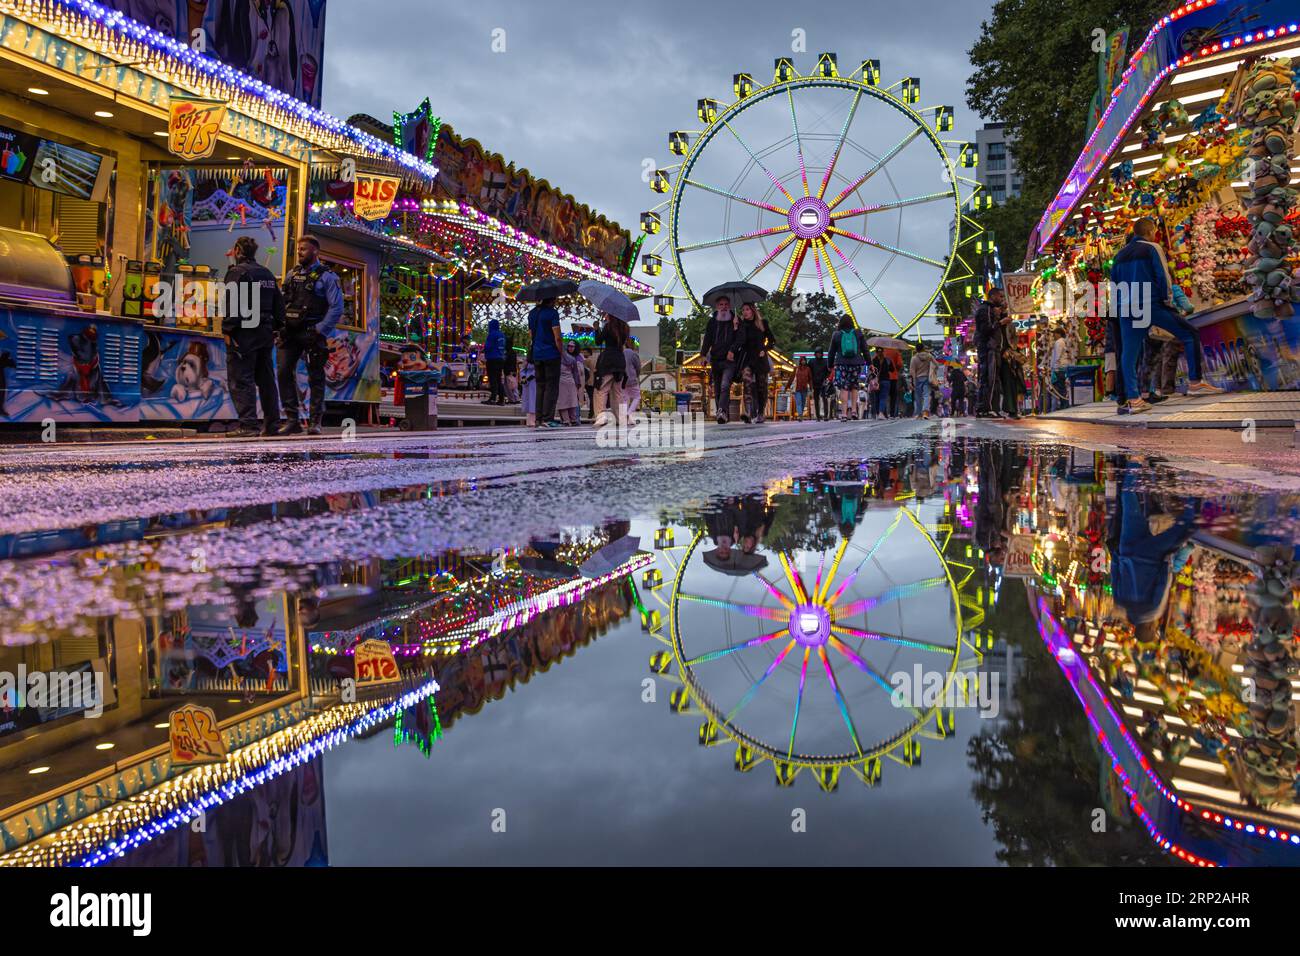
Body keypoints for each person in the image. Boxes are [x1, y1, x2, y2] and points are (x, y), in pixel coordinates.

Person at [1110, 217, 1221, 414]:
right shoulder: (1152, 248)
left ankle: (1134, 400)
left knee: (1129, 353)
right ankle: (1195, 382)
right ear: (1151, 231)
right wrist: (1168, 301)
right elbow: (1163, 276)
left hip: (1126, 308)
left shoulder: (1119, 256)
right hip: (1151, 303)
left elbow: (1114, 285)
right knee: (1189, 334)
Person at [277, 235, 342, 435]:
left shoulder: (328, 277)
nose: (300, 253)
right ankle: (291, 419)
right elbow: (283, 301)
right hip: (290, 332)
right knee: (283, 372)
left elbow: (336, 307)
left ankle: (315, 421)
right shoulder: (291, 274)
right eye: (299, 249)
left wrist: (320, 329)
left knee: (316, 377)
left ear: (315, 251)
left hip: (313, 332)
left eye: (304, 249)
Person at [222, 235, 284, 437]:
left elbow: (232, 304)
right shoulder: (267, 274)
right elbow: (279, 307)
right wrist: (274, 328)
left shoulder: (236, 272)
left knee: (241, 379)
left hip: (244, 332)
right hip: (265, 332)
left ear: (238, 250)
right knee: (266, 379)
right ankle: (272, 424)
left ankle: (248, 426)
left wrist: (228, 330)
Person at [701, 296, 741, 423]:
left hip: (729, 360)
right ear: (717, 306)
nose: (723, 307)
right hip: (715, 359)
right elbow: (707, 339)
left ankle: (722, 411)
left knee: (725, 386)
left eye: (726, 304)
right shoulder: (712, 322)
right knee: (718, 388)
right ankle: (722, 414)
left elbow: (740, 339)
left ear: (729, 306)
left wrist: (735, 329)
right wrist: (703, 355)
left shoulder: (736, 320)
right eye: (721, 304)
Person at [527, 297, 564, 428]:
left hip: (537, 354)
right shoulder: (552, 313)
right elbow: (557, 337)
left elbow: (530, 334)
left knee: (540, 386)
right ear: (552, 300)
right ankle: (548, 419)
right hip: (551, 354)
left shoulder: (532, 313)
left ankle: (538, 419)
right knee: (551, 387)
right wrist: (561, 352)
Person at [736, 302, 775, 423]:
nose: (745, 312)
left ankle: (761, 413)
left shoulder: (762, 323)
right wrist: (735, 327)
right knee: (746, 382)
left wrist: (765, 349)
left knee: (761, 386)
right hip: (747, 357)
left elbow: (772, 341)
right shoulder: (742, 325)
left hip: (760, 358)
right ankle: (747, 411)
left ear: (753, 310)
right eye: (743, 310)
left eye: (747, 309)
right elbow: (738, 341)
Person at [974, 288, 1009, 418]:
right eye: (1000, 296)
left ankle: (987, 408)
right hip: (989, 348)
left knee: (990, 378)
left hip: (991, 348)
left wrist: (1001, 315)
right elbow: (986, 329)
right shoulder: (985, 309)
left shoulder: (990, 309)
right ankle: (988, 407)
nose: (1001, 299)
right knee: (991, 378)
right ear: (993, 296)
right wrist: (1000, 322)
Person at [828, 316, 866, 422]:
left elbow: (831, 352)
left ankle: (844, 414)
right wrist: (870, 362)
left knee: (844, 388)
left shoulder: (837, 334)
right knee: (854, 386)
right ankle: (854, 411)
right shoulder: (858, 333)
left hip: (841, 363)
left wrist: (830, 365)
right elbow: (865, 349)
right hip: (856, 363)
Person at [593, 312, 629, 423]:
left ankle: (601, 416)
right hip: (620, 361)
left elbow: (598, 341)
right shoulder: (625, 328)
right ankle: (620, 418)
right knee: (617, 392)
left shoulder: (608, 326)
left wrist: (596, 329)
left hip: (608, 360)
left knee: (602, 389)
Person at [557, 341, 584, 425]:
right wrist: (577, 383)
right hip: (571, 381)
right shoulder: (573, 359)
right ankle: (574, 419)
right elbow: (575, 372)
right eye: (569, 346)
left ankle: (566, 420)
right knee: (572, 401)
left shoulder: (557, 358)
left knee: (563, 402)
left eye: (572, 346)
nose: (570, 348)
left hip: (561, 382)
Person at [483, 318, 507, 405]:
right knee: (498, 379)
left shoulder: (491, 334)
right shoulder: (502, 334)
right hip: (500, 359)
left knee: (493, 379)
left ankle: (493, 399)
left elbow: (488, 347)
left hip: (492, 359)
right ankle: (501, 399)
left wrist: (484, 352)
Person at [909, 343, 935, 420]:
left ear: (916, 349)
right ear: (923, 348)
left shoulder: (914, 358)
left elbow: (912, 371)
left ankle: (918, 413)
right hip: (927, 378)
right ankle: (925, 412)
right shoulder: (929, 356)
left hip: (917, 379)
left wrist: (912, 381)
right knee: (926, 395)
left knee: (918, 397)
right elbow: (936, 364)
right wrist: (932, 371)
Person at [787, 356, 812, 421]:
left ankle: (800, 414)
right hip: (797, 388)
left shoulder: (808, 369)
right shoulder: (796, 368)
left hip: (804, 388)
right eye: (802, 360)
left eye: (804, 360)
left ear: (806, 361)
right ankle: (800, 415)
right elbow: (791, 378)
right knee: (799, 402)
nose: (803, 361)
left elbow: (810, 379)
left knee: (803, 402)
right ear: (800, 361)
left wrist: (811, 387)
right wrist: (787, 386)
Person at [622, 343, 643, 414]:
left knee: (624, 398)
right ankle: (629, 413)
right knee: (637, 397)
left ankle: (623, 416)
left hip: (622, 380)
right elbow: (638, 367)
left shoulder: (620, 353)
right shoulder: (634, 354)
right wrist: (636, 375)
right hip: (632, 379)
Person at [810, 349, 830, 421]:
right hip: (815, 383)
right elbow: (810, 372)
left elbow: (828, 371)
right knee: (816, 400)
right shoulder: (812, 361)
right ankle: (818, 416)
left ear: (822, 354)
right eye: (817, 353)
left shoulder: (825, 361)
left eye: (820, 353)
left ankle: (825, 415)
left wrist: (826, 378)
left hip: (823, 382)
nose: (819, 354)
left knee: (824, 399)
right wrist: (810, 381)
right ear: (815, 354)